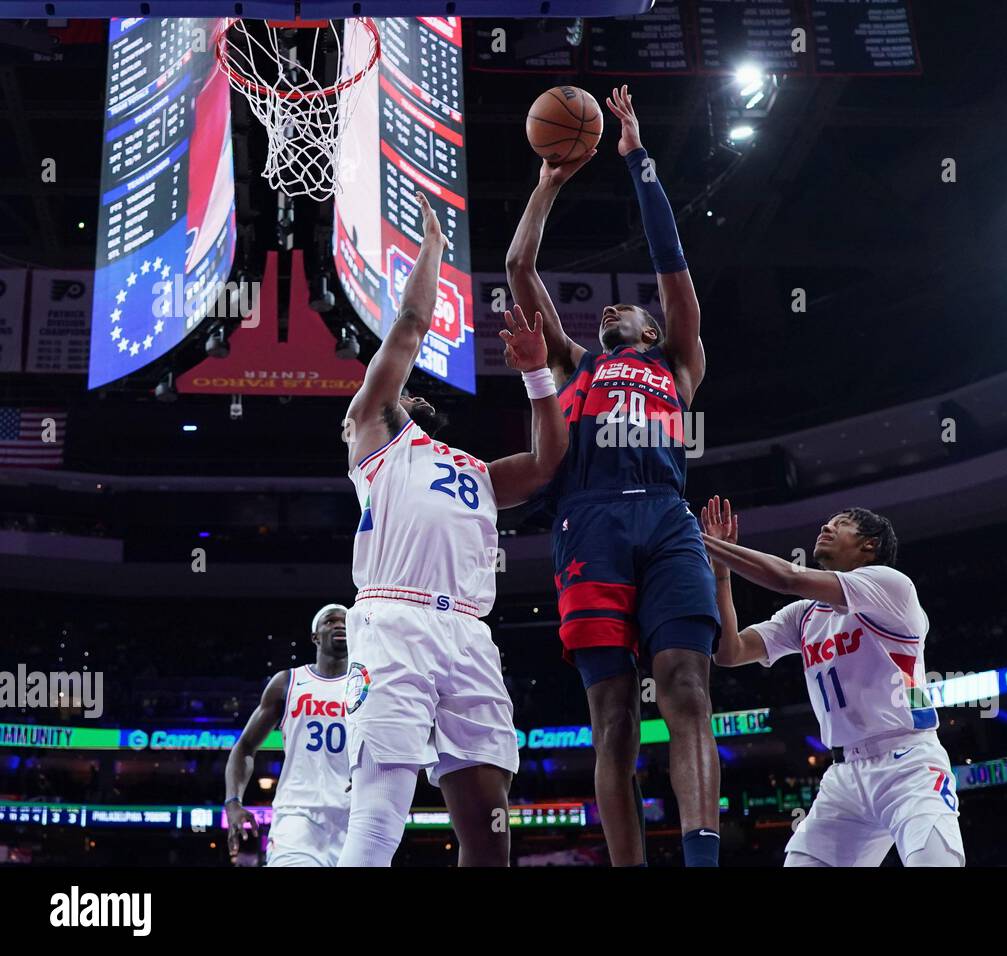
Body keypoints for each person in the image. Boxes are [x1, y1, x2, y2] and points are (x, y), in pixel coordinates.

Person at [506, 86, 720, 867]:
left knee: (689, 690)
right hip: (588, 521)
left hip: (666, 520)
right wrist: (545, 186)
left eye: (620, 316)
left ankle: (702, 860)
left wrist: (638, 163)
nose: (607, 319)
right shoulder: (576, 362)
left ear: (652, 329)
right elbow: (518, 265)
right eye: (602, 318)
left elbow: (672, 265)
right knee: (614, 719)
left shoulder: (679, 360)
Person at [337, 193, 568, 867]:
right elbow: (410, 325)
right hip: (394, 621)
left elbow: (550, 460)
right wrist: (434, 249)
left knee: (489, 831)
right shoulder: (377, 433)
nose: (402, 389)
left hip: (469, 631)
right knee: (381, 807)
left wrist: (533, 371)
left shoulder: (478, 470)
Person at [701, 496, 966, 867]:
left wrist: (711, 544)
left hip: (909, 764)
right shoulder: (805, 615)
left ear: (868, 544)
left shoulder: (890, 585)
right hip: (844, 776)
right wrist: (720, 566)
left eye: (841, 523)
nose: (826, 527)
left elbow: (786, 577)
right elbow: (729, 652)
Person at [224, 604, 350, 866]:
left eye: (345, 621)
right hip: (298, 815)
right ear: (315, 636)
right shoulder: (288, 682)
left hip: (358, 815)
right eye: (330, 621)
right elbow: (245, 746)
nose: (339, 625)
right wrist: (233, 801)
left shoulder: (371, 684)